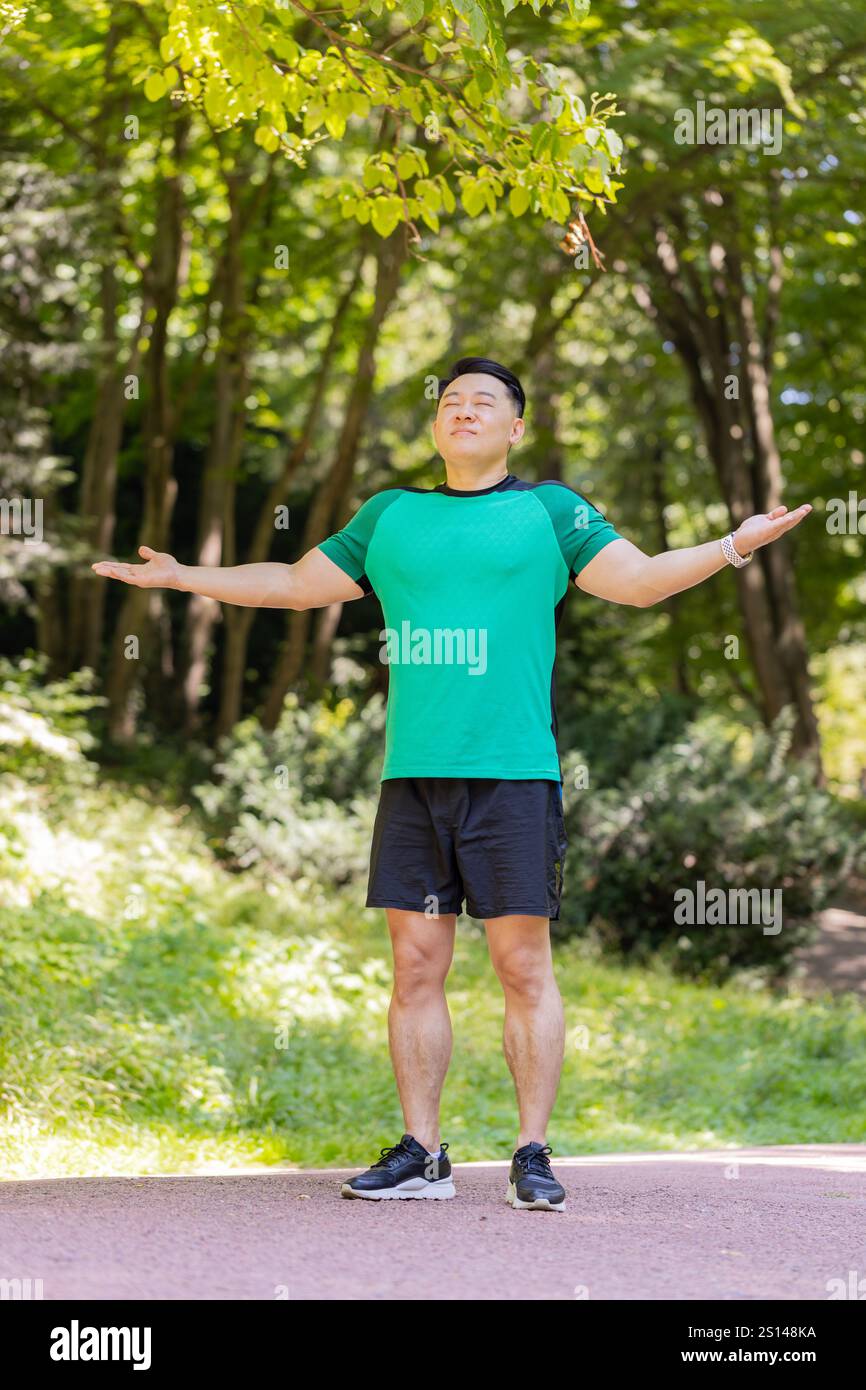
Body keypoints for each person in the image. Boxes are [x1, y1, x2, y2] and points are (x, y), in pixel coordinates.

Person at [92, 354, 812, 1212]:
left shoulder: (550, 511)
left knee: (523, 971)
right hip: (415, 782)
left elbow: (643, 582)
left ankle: (532, 1152)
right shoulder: (390, 515)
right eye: (450, 401)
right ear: (436, 427)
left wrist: (735, 544)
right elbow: (291, 585)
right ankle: (423, 1152)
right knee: (414, 969)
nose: (463, 410)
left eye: (485, 402)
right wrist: (180, 577)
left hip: (514, 780)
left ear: (516, 428)